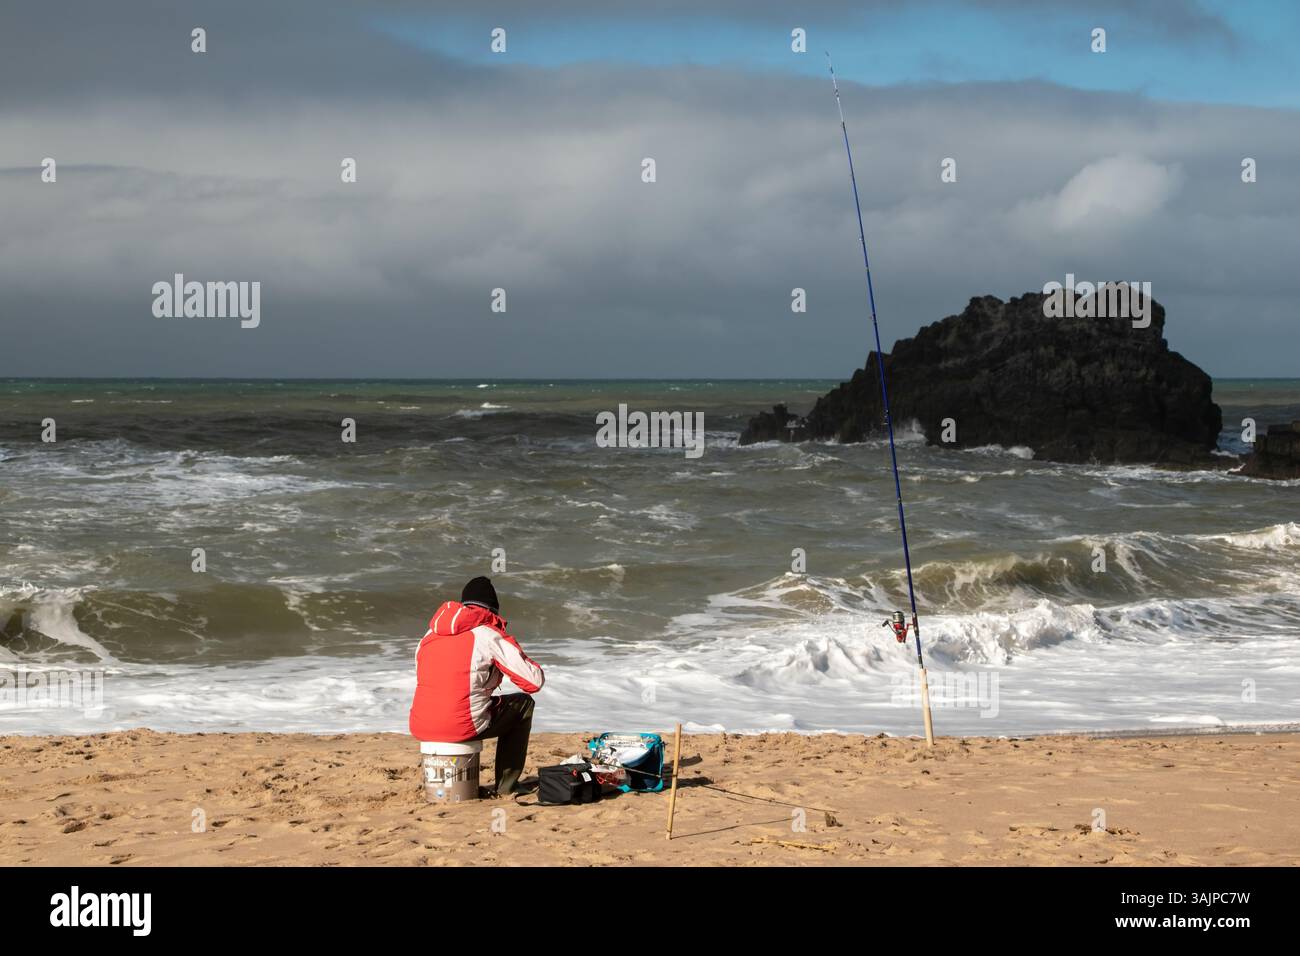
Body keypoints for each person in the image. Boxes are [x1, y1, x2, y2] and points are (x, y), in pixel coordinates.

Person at [408, 576, 545, 796]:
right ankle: (507, 786)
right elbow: (533, 681)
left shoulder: (428, 636)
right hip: (461, 725)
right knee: (523, 704)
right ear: (493, 610)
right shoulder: (488, 635)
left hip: (421, 724)